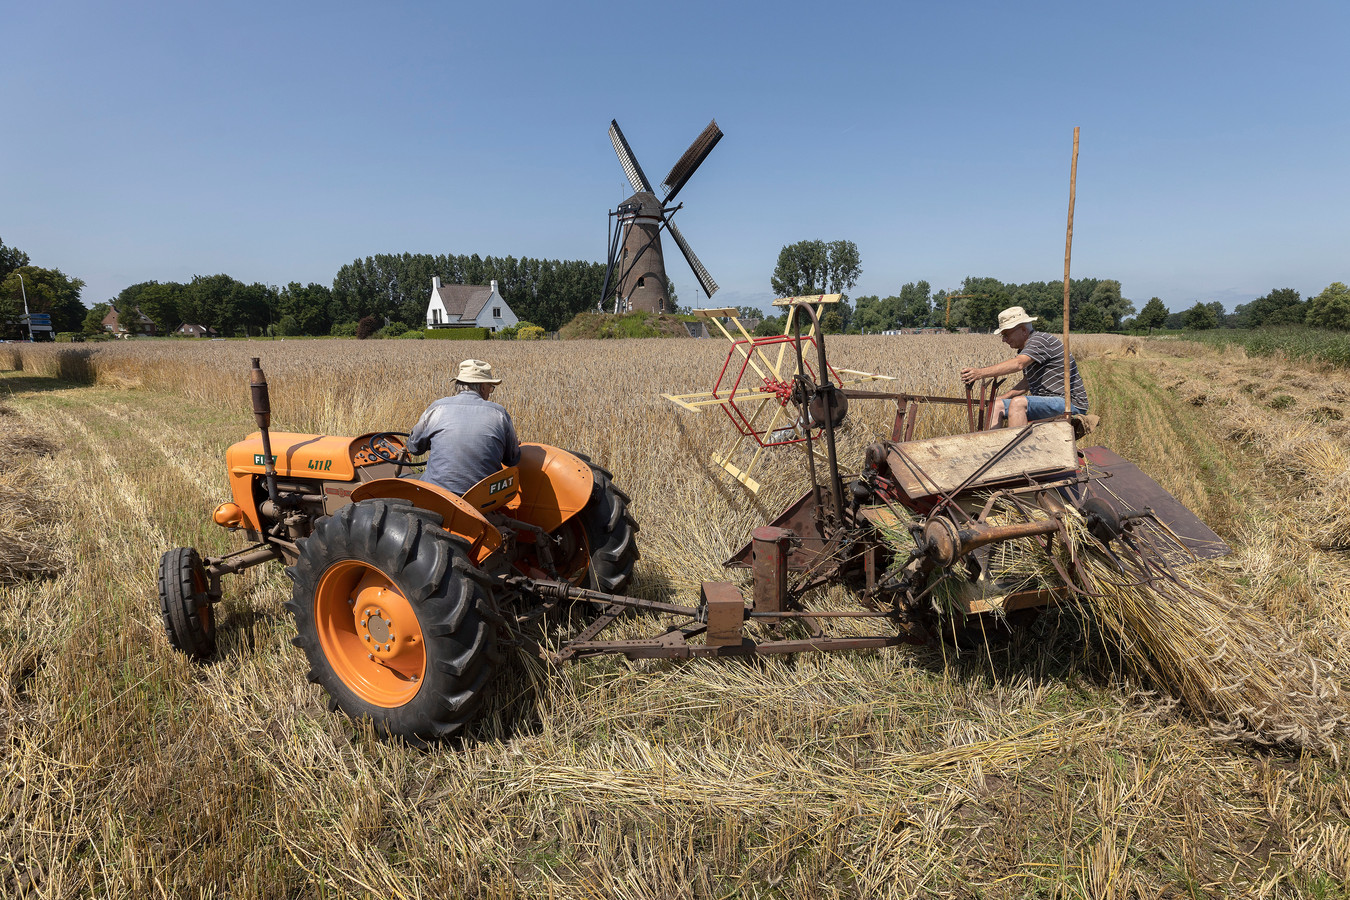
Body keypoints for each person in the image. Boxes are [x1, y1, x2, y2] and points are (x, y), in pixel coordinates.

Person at [959, 306, 1088, 429]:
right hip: (1046, 402)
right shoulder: (1024, 349)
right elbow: (1027, 382)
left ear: (1023, 330)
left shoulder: (1040, 340)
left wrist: (980, 373)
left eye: (1006, 334)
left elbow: (1018, 364)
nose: (1004, 339)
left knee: (1018, 403)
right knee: (996, 405)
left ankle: (1016, 451)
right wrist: (1003, 397)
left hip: (1068, 404)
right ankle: (993, 449)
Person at [407, 358, 521, 495]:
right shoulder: (499, 413)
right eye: (491, 387)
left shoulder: (437, 408)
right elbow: (512, 460)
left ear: (458, 384)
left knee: (405, 479)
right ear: (483, 387)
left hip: (439, 496)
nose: (490, 392)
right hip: (483, 498)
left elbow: (414, 448)